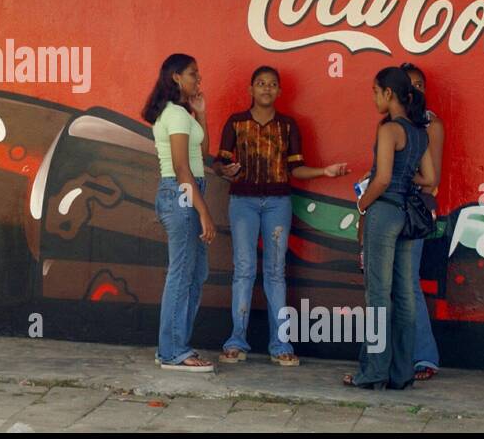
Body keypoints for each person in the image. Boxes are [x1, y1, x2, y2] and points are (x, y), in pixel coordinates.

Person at [214, 66, 348, 366]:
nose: (266, 89)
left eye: (272, 84)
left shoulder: (289, 126)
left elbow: (294, 169)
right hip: (243, 202)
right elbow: (219, 164)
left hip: (278, 202)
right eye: (260, 83)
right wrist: (227, 170)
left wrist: (323, 172)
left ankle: (280, 344)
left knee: (276, 272)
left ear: (280, 91)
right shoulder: (236, 123)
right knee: (244, 270)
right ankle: (236, 341)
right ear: (250, 89)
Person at [344, 67, 437, 390]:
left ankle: (373, 371)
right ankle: (401, 373)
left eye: (375, 91)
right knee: (405, 295)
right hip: (407, 216)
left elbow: (381, 179)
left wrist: (360, 205)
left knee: (378, 295)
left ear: (388, 94)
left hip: (384, 213)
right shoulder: (419, 132)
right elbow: (429, 179)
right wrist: (405, 175)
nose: (373, 98)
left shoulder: (389, 130)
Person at [142, 53, 215, 372]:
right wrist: (204, 213)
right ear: (175, 77)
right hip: (181, 192)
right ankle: (172, 351)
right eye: (192, 74)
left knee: (195, 274)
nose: (198, 79)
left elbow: (203, 153)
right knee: (182, 273)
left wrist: (201, 114)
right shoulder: (173, 114)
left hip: (187, 191)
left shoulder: (184, 114)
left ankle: (175, 346)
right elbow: (182, 167)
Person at [401, 62, 444, 381]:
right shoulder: (392, 122)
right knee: (388, 283)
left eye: (420, 84)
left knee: (408, 281)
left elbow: (432, 180)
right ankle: (395, 355)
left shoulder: (432, 124)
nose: (415, 89)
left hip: (416, 208)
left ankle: (425, 356)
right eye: (409, 84)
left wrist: (393, 178)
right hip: (391, 205)